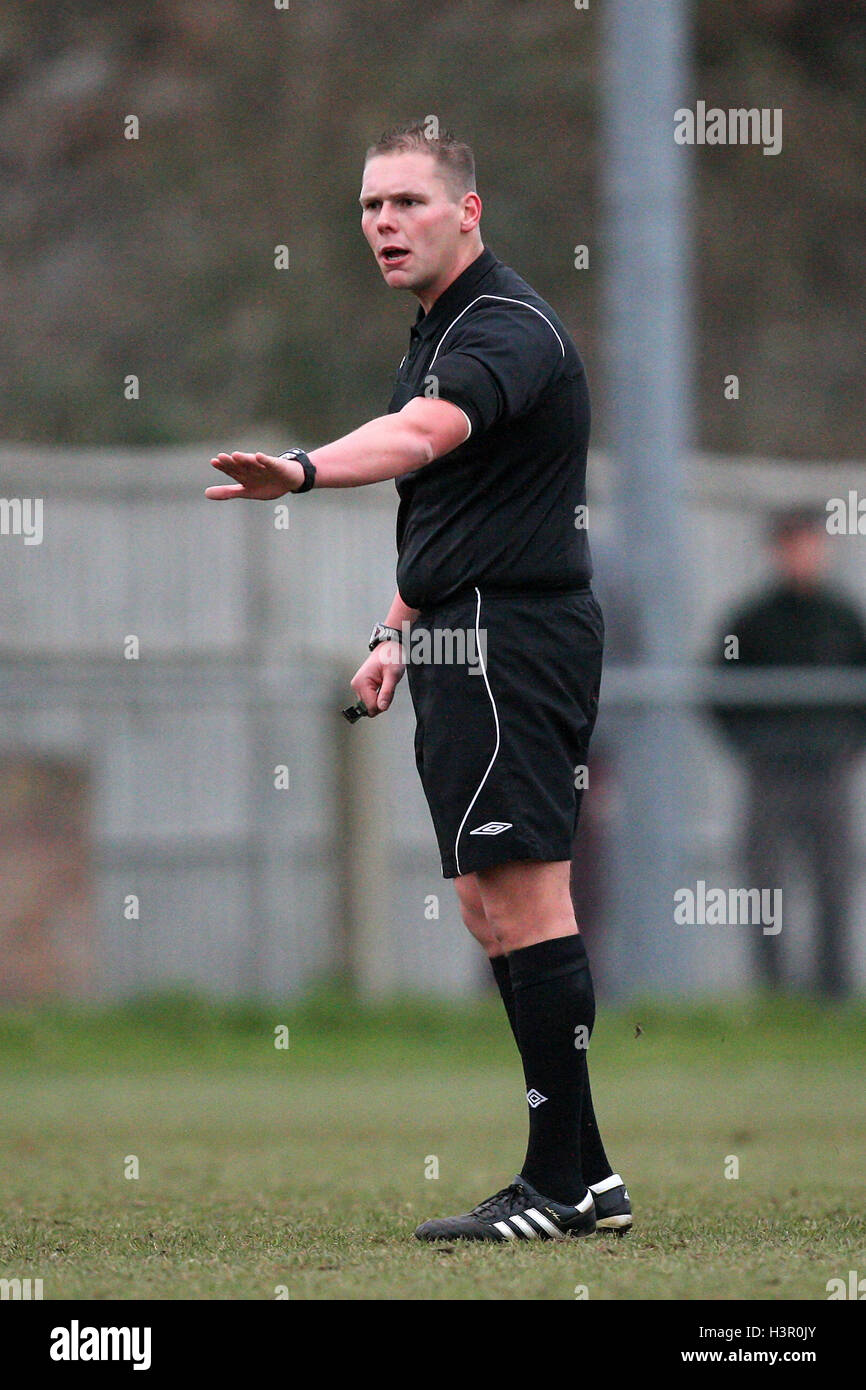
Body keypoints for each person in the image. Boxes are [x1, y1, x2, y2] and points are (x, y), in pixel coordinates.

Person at [205, 122, 630, 1241]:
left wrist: (298, 469)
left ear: (465, 211)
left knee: (529, 897)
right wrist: (397, 627)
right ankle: (582, 1174)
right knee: (485, 903)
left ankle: (558, 1185)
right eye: (369, 208)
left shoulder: (505, 329)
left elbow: (416, 439)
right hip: (458, 630)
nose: (384, 224)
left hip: (513, 636)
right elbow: (454, 508)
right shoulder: (440, 325)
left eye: (406, 203)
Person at [712, 508, 866, 997]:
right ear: (777, 551)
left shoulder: (845, 619)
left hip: (828, 772)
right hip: (771, 772)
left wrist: (848, 746)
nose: (803, 556)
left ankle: (831, 994)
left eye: (811, 544)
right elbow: (718, 690)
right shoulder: (751, 621)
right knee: (765, 884)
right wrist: (752, 746)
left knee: (834, 882)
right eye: (792, 545)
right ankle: (774, 993)